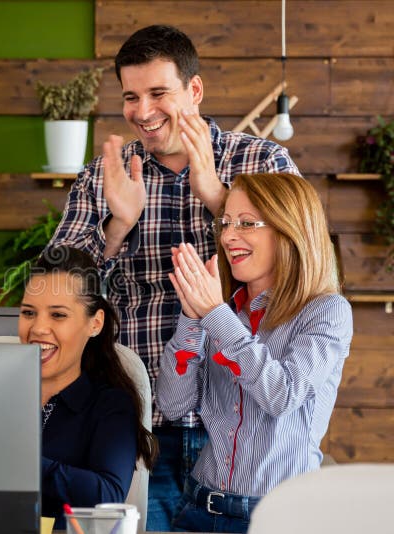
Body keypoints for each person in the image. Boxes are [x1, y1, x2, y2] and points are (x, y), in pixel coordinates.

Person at [47, 24, 300, 529]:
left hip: (239, 425)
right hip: (138, 427)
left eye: (158, 93)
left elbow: (299, 267)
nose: (143, 111)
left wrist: (217, 198)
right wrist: (117, 226)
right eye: (131, 97)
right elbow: (54, 289)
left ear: (195, 90)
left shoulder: (262, 161)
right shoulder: (105, 176)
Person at [156, 172, 352, 533]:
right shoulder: (226, 312)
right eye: (226, 222)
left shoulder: (326, 311)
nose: (228, 236)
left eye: (247, 223)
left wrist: (214, 315)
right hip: (198, 509)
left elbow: (282, 394)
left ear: (290, 229)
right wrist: (191, 317)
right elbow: (173, 404)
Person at [18, 246, 158, 529]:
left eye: (58, 315)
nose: (38, 328)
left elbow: (108, 494)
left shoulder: (110, 405)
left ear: (95, 323)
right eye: (28, 313)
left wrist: (20, 463)